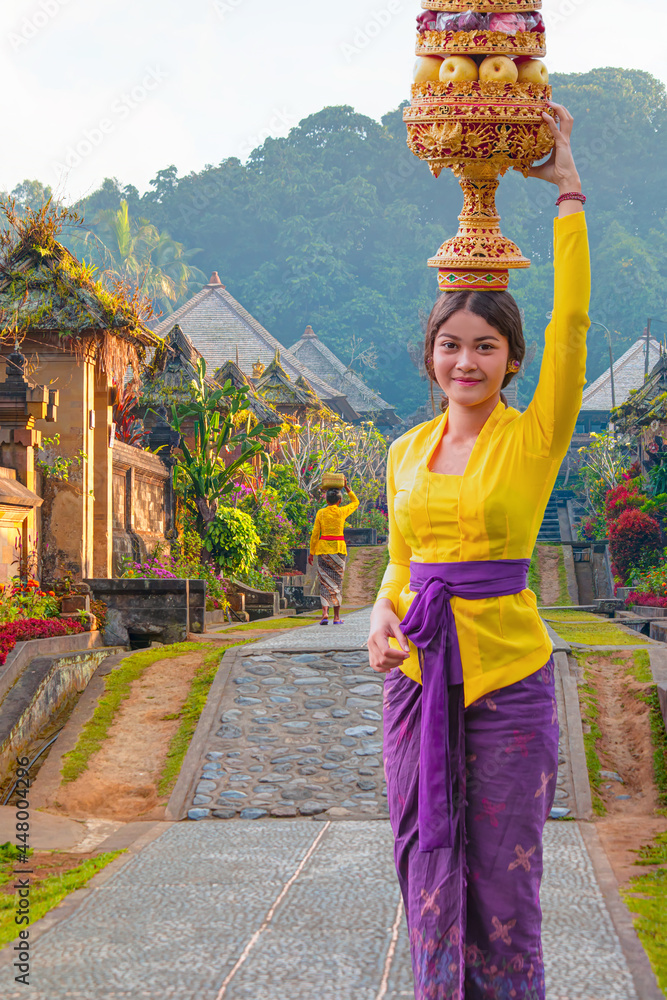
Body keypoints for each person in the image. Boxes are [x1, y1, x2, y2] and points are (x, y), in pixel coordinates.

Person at [367, 103, 589, 999]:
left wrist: (566, 187)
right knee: (423, 872)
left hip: (507, 682)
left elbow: (572, 325)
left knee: (505, 885)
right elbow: (397, 560)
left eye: (484, 347)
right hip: (417, 678)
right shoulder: (403, 454)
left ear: (510, 359)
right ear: (429, 356)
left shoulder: (532, 439)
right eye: (450, 345)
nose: (466, 361)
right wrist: (382, 609)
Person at [308, 477, 359, 624]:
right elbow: (356, 503)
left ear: (327, 500)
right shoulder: (342, 512)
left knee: (324, 581)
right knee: (337, 582)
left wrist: (312, 552)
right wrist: (348, 489)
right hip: (338, 549)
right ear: (339, 501)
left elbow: (315, 533)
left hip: (323, 549)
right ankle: (336, 617)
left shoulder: (321, 513)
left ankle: (325, 613)